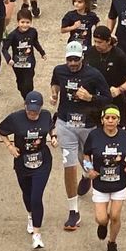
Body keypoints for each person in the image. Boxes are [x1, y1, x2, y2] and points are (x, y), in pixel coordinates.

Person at [50, 40, 111, 231]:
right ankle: (73, 211)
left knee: (87, 160)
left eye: (76, 59)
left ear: (82, 58)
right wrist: (54, 93)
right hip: (65, 124)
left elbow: (108, 98)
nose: (73, 63)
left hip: (88, 126)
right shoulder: (59, 70)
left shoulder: (93, 74)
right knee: (69, 164)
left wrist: (90, 97)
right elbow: (55, 82)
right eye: (70, 60)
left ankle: (87, 175)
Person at [0, 90, 54, 250]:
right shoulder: (15, 118)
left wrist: (54, 137)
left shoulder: (46, 115)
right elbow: (1, 130)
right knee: (27, 193)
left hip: (42, 161)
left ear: (41, 108)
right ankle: (30, 214)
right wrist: (9, 146)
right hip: (22, 160)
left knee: (37, 196)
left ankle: (37, 234)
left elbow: (50, 127)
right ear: (25, 106)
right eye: (30, 110)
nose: (33, 113)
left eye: (36, 110)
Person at [83, 105, 126, 251]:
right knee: (101, 218)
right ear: (102, 120)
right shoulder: (94, 135)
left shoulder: (125, 136)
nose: (110, 121)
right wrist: (89, 169)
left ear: (118, 120)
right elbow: (86, 155)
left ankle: (112, 242)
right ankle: (103, 224)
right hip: (100, 182)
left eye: (114, 118)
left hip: (119, 182)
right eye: (107, 118)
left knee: (115, 215)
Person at [85, 26, 126, 128]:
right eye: (95, 41)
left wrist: (120, 89)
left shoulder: (118, 55)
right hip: (96, 100)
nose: (97, 45)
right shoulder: (90, 52)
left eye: (100, 42)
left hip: (115, 100)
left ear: (108, 41)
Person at [2, 7, 46, 97]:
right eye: (22, 22)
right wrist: (8, 59)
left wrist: (42, 53)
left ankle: (28, 99)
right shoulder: (13, 35)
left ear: (31, 22)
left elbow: (35, 43)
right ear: (18, 22)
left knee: (29, 82)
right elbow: (4, 48)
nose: (25, 25)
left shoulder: (33, 32)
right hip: (17, 63)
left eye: (27, 22)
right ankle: (24, 95)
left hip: (30, 61)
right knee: (21, 82)